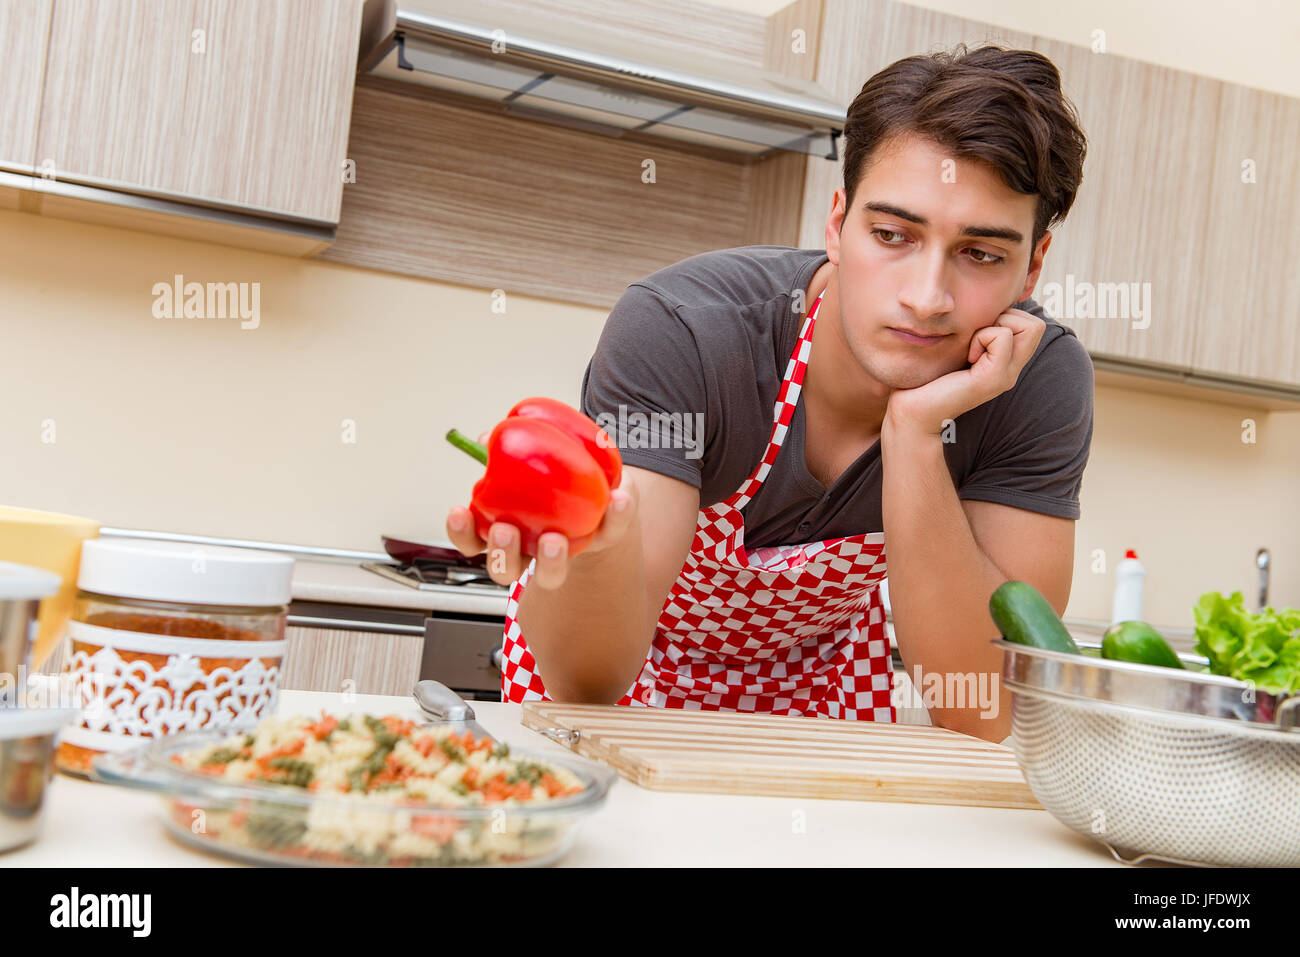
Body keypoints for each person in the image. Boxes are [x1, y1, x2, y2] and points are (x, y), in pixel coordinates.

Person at [446, 44, 1092, 743]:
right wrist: (594, 554)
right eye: (891, 234)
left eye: (981, 254)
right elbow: (590, 682)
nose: (926, 297)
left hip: (820, 708)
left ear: (1033, 267)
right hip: (626, 696)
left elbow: (982, 710)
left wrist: (913, 434)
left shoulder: (1035, 383)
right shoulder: (684, 333)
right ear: (837, 224)